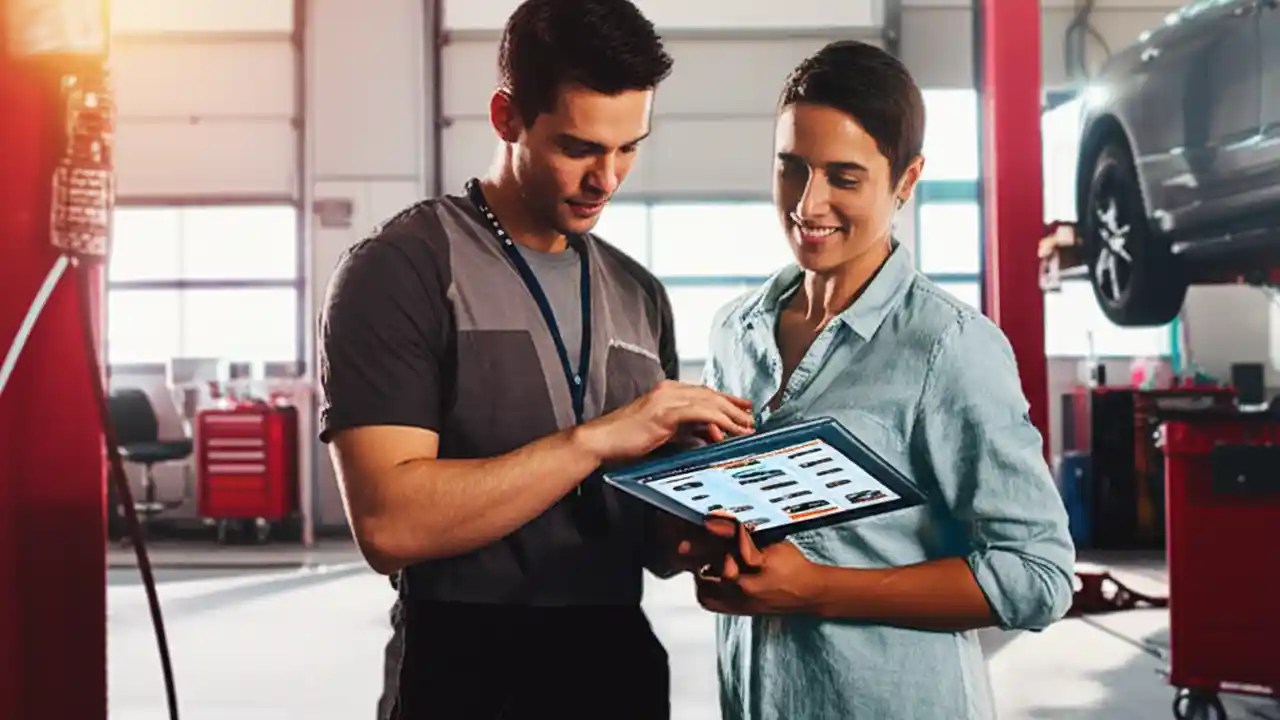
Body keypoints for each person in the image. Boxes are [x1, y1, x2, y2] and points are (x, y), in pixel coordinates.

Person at [317, 1, 753, 718]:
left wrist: (706, 525)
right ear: (507, 117)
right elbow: (389, 525)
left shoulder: (638, 292)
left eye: (628, 148)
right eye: (579, 148)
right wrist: (594, 441)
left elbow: (649, 541)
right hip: (464, 671)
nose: (607, 179)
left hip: (618, 666)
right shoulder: (402, 270)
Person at [690, 41, 1076, 719]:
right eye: (791, 168)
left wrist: (818, 588)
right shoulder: (735, 333)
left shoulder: (948, 347)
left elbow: (1037, 576)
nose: (808, 203)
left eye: (844, 178)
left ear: (906, 179)